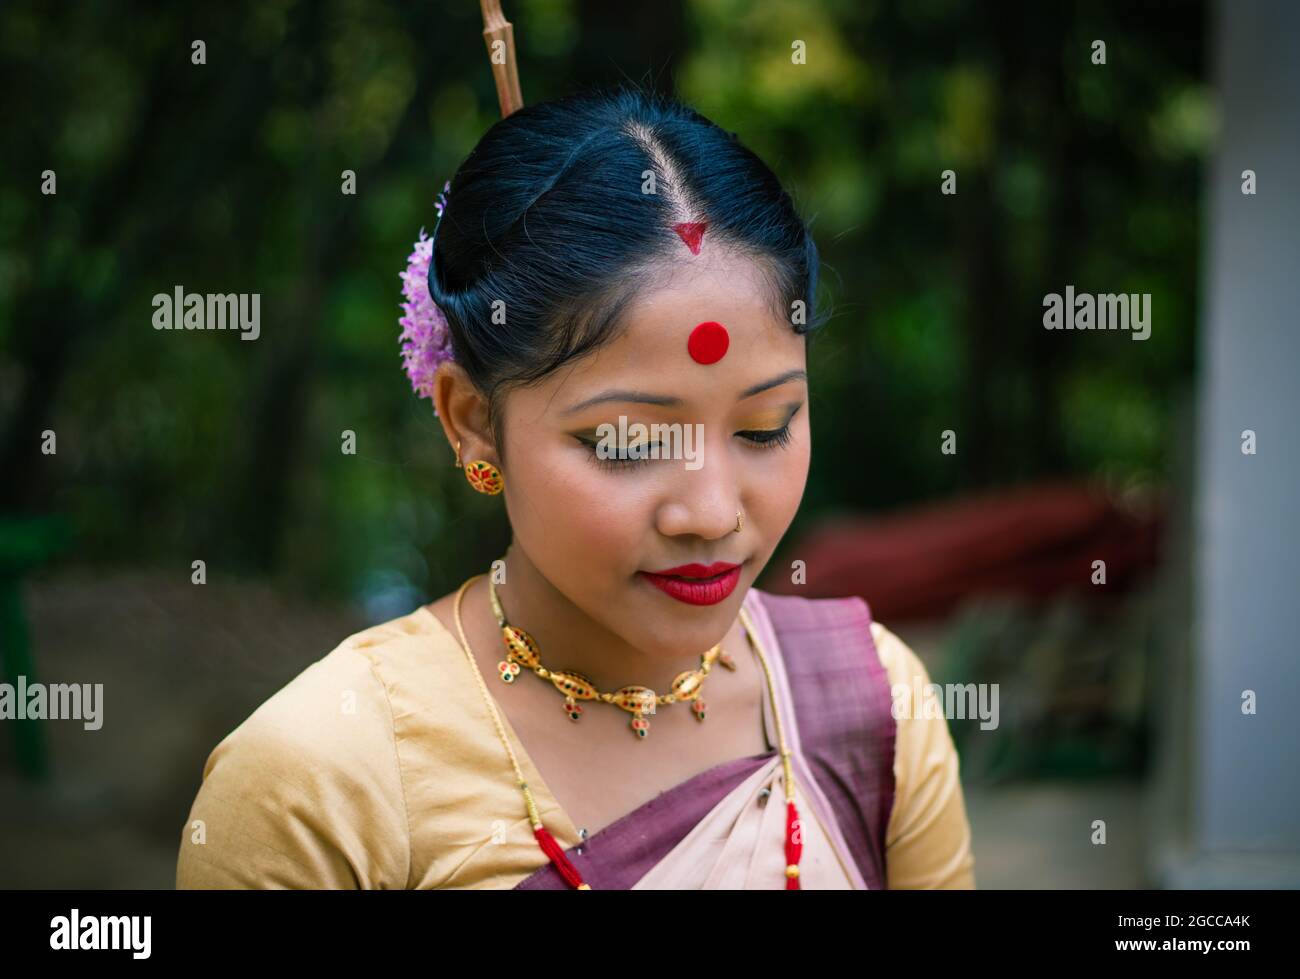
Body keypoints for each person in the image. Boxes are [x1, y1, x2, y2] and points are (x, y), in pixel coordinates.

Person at [175, 85, 975, 890]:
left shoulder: (870, 704)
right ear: (473, 420)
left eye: (765, 428)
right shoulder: (322, 779)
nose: (711, 512)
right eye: (629, 442)